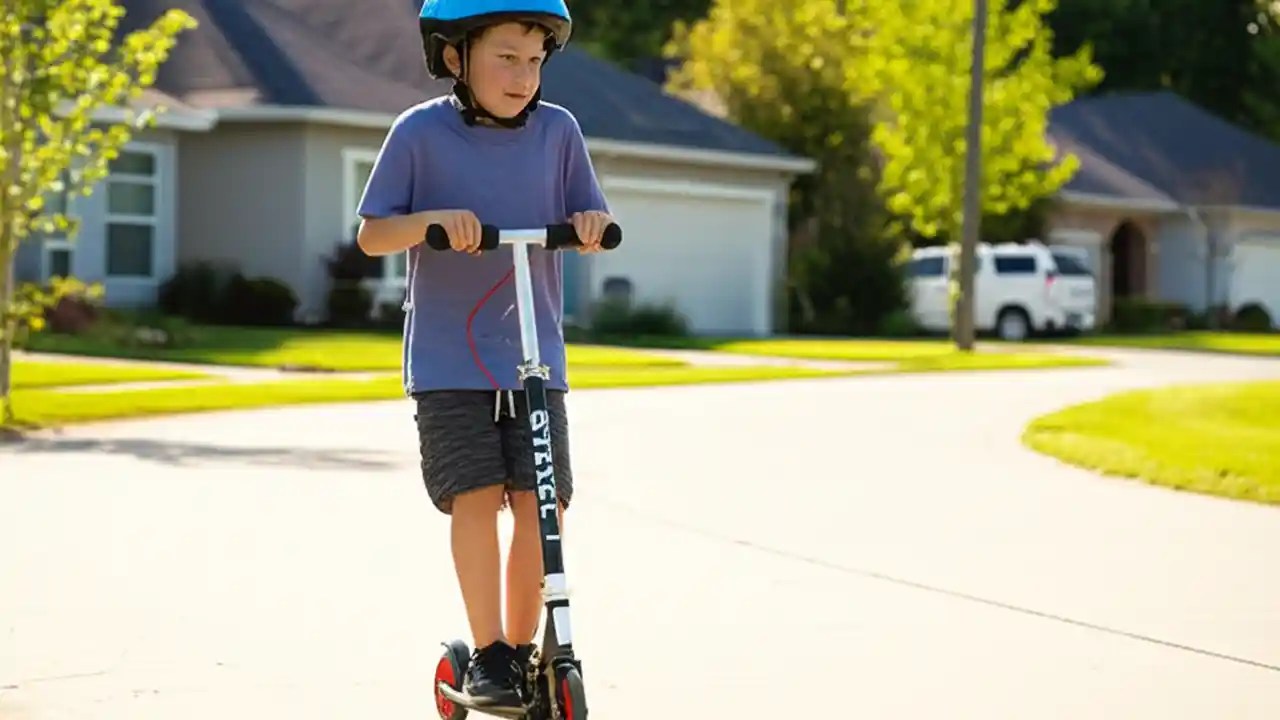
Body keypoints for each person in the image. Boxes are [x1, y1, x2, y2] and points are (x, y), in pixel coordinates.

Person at [354, 0, 612, 710]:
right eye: (506, 56)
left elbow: (594, 216)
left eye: (535, 60)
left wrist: (592, 223)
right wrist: (433, 221)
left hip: (533, 355)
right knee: (474, 497)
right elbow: (373, 235)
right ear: (453, 56)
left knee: (542, 501)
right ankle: (489, 651)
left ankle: (524, 651)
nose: (524, 75)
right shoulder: (419, 134)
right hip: (448, 360)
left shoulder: (559, 132)